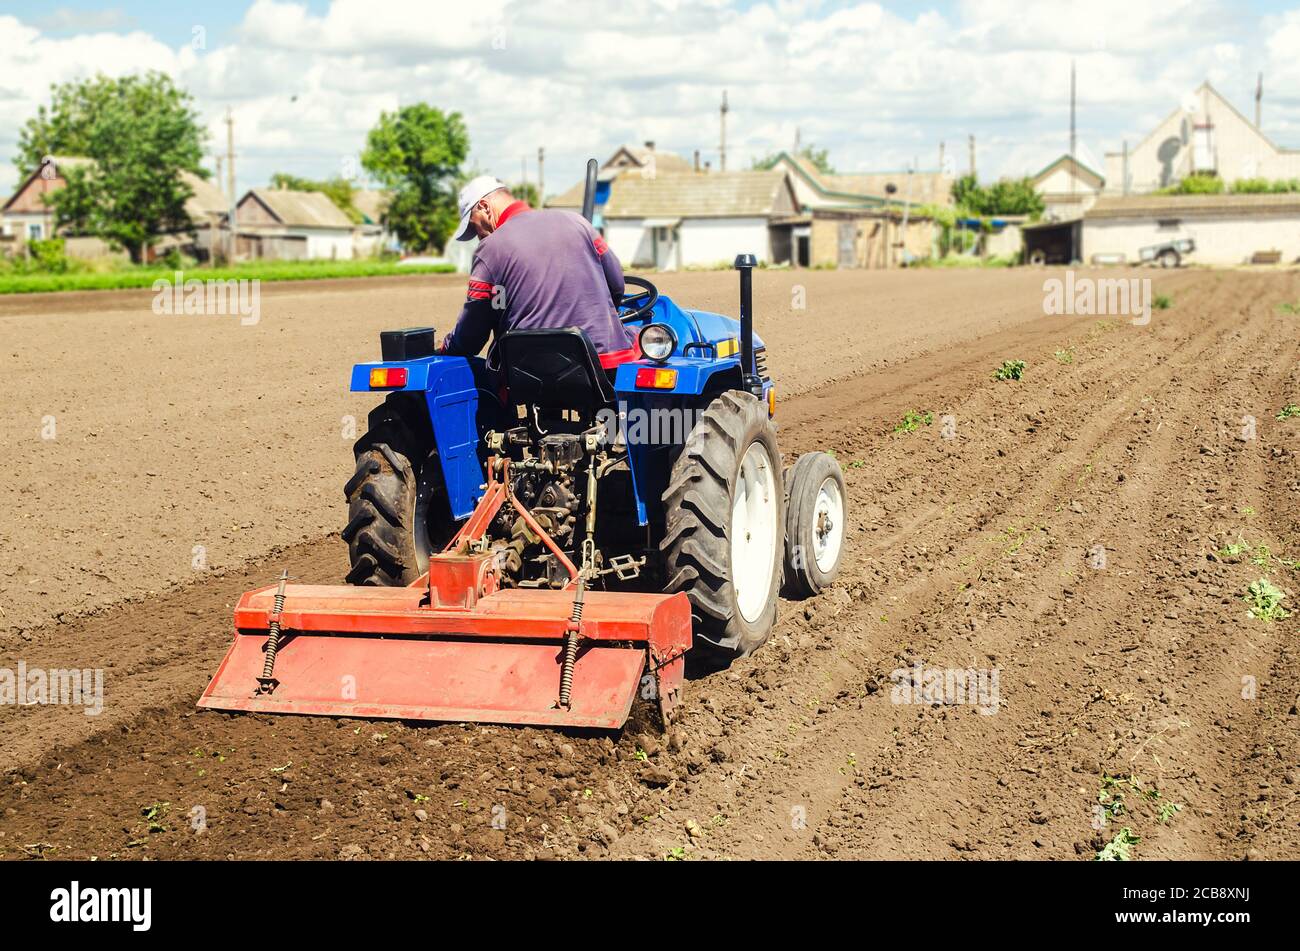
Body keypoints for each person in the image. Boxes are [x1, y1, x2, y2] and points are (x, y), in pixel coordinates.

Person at [439, 176, 634, 367]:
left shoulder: (490, 249)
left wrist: (448, 347)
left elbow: (472, 333)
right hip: (603, 362)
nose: (479, 236)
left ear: (484, 206)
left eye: (474, 226)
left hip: (528, 371)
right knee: (643, 335)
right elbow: (616, 286)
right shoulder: (579, 223)